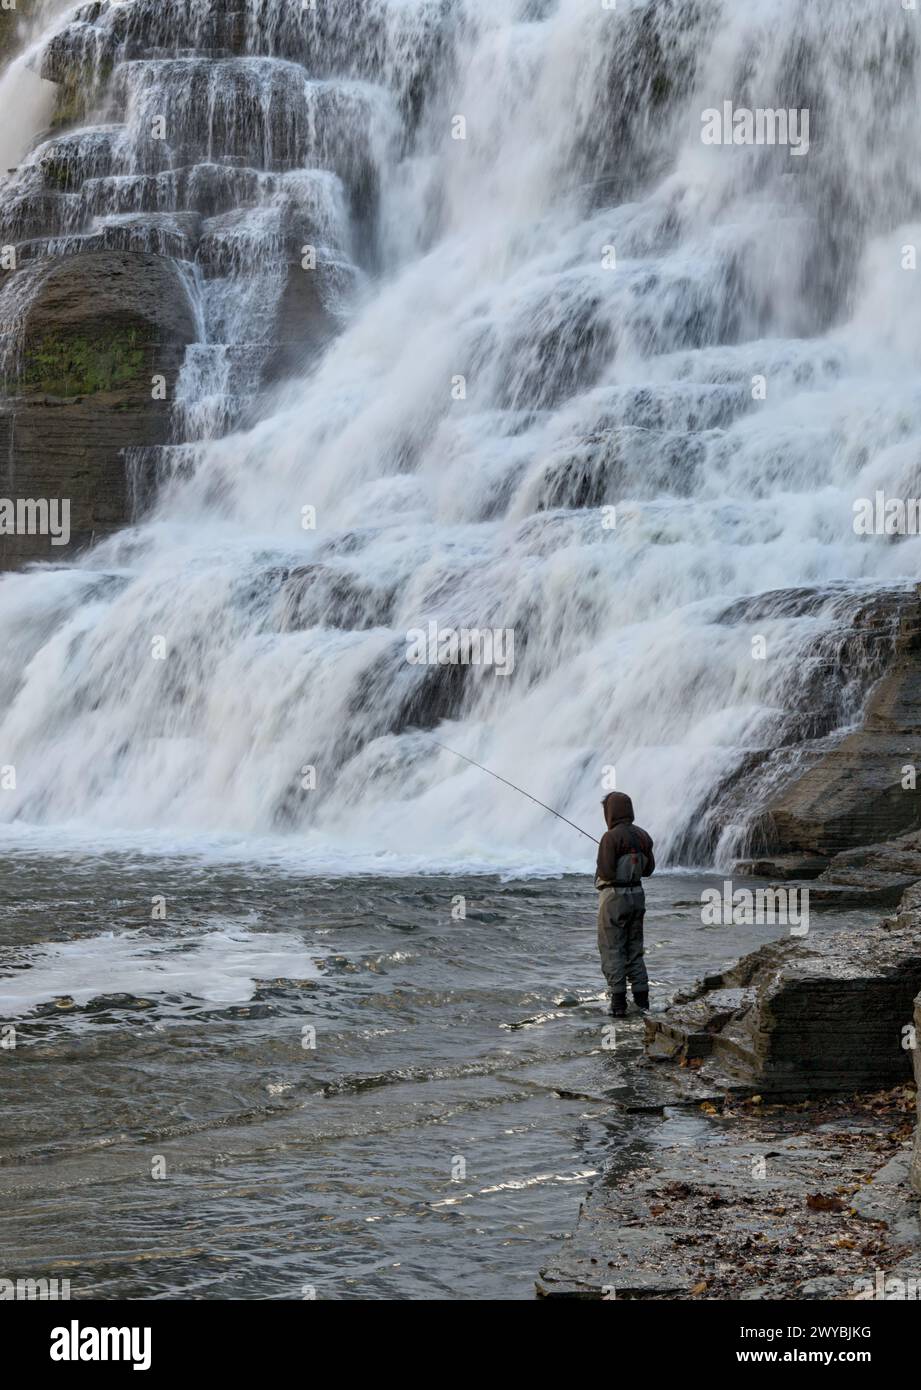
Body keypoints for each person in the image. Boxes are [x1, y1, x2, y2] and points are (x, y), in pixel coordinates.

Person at [595, 791, 655, 1017]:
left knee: (612, 949)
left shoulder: (610, 838)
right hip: (637, 895)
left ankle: (618, 1005)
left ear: (610, 812)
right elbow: (648, 870)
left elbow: (606, 871)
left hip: (613, 898)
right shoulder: (643, 836)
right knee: (634, 949)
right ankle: (642, 1003)